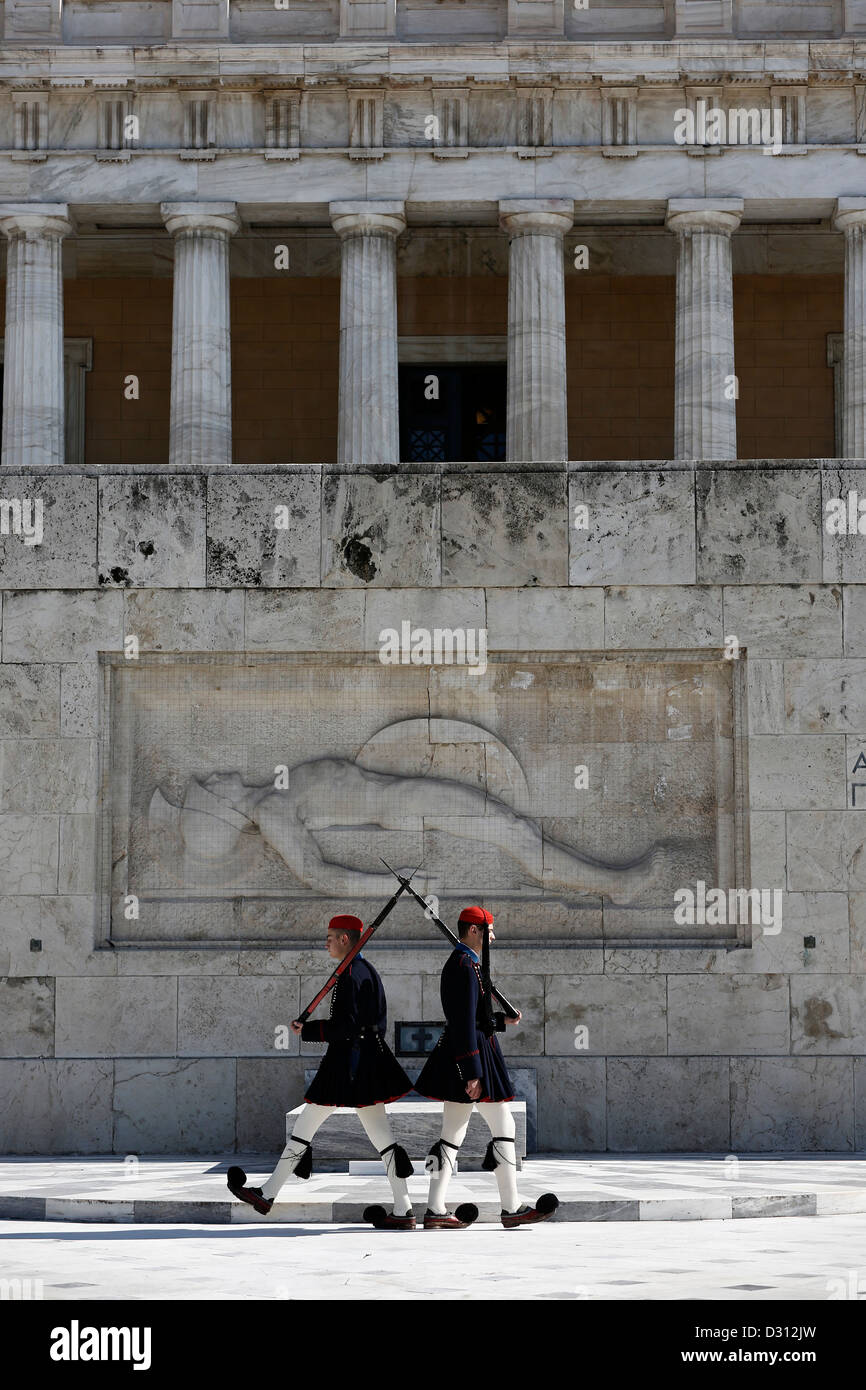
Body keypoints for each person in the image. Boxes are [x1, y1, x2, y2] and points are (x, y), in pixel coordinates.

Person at [227, 913, 417, 1230]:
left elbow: (347, 1026)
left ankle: (267, 1194)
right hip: (363, 1061)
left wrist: (310, 1030)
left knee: (306, 1128)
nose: (325, 942)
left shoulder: (352, 974)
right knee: (383, 1141)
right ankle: (404, 1210)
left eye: (330, 936)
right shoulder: (362, 970)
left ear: (345, 939)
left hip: (347, 1063)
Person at [415, 905, 558, 1230]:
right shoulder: (465, 965)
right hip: (472, 1057)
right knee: (501, 1130)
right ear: (474, 931)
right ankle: (510, 1208)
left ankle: (436, 1208)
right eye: (489, 930)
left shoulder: (467, 963)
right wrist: (473, 1072)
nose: (494, 936)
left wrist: (499, 1020)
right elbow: (463, 1021)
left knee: (452, 1135)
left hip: (471, 1052)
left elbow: (474, 1018)